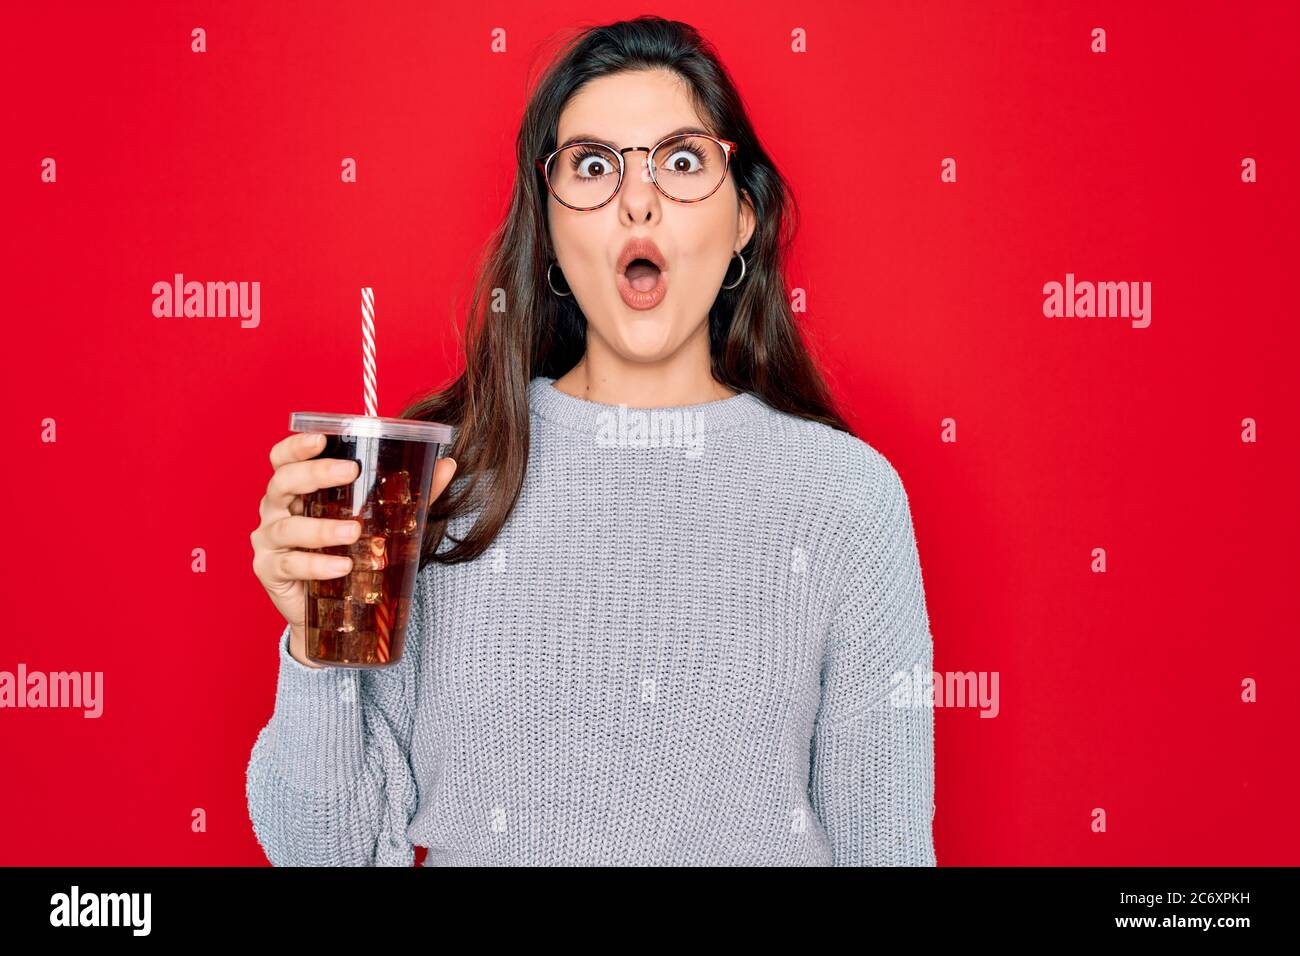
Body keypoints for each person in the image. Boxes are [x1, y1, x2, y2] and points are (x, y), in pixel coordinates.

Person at [246, 15, 937, 866]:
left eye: (682, 162)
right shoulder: (440, 480)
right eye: (593, 167)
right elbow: (326, 852)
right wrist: (318, 638)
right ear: (552, 232)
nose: (637, 199)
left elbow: (889, 849)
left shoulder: (844, 499)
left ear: (744, 220)